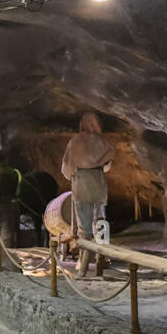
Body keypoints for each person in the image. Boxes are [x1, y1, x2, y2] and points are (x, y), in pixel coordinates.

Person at [60, 112, 114, 277]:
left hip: (81, 186)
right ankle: (101, 259)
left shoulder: (74, 142)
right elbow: (107, 166)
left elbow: (66, 168)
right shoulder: (103, 143)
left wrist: (72, 175)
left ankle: (83, 265)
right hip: (98, 185)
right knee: (101, 222)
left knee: (84, 227)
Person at [0, 150, 21, 249]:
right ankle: (16, 249)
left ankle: (7, 252)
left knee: (5, 229)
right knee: (15, 228)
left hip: (3, 206)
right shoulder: (16, 172)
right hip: (15, 204)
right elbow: (19, 190)